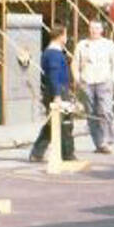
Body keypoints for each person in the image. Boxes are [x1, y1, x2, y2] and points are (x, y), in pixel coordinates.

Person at [73, 20, 114, 153]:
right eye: (91, 28)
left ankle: (107, 139)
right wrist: (78, 80)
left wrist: (113, 79)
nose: (94, 31)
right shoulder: (82, 45)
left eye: (97, 28)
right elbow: (75, 64)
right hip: (87, 82)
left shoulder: (108, 44)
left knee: (105, 110)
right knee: (91, 113)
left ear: (101, 30)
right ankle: (99, 143)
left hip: (104, 81)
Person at [29, 25, 77, 162]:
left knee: (53, 124)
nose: (66, 38)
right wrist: (57, 95)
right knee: (66, 123)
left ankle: (37, 153)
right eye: (66, 35)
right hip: (58, 91)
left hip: (58, 89)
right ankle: (68, 154)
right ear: (61, 36)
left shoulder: (51, 52)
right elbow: (54, 75)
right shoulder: (54, 54)